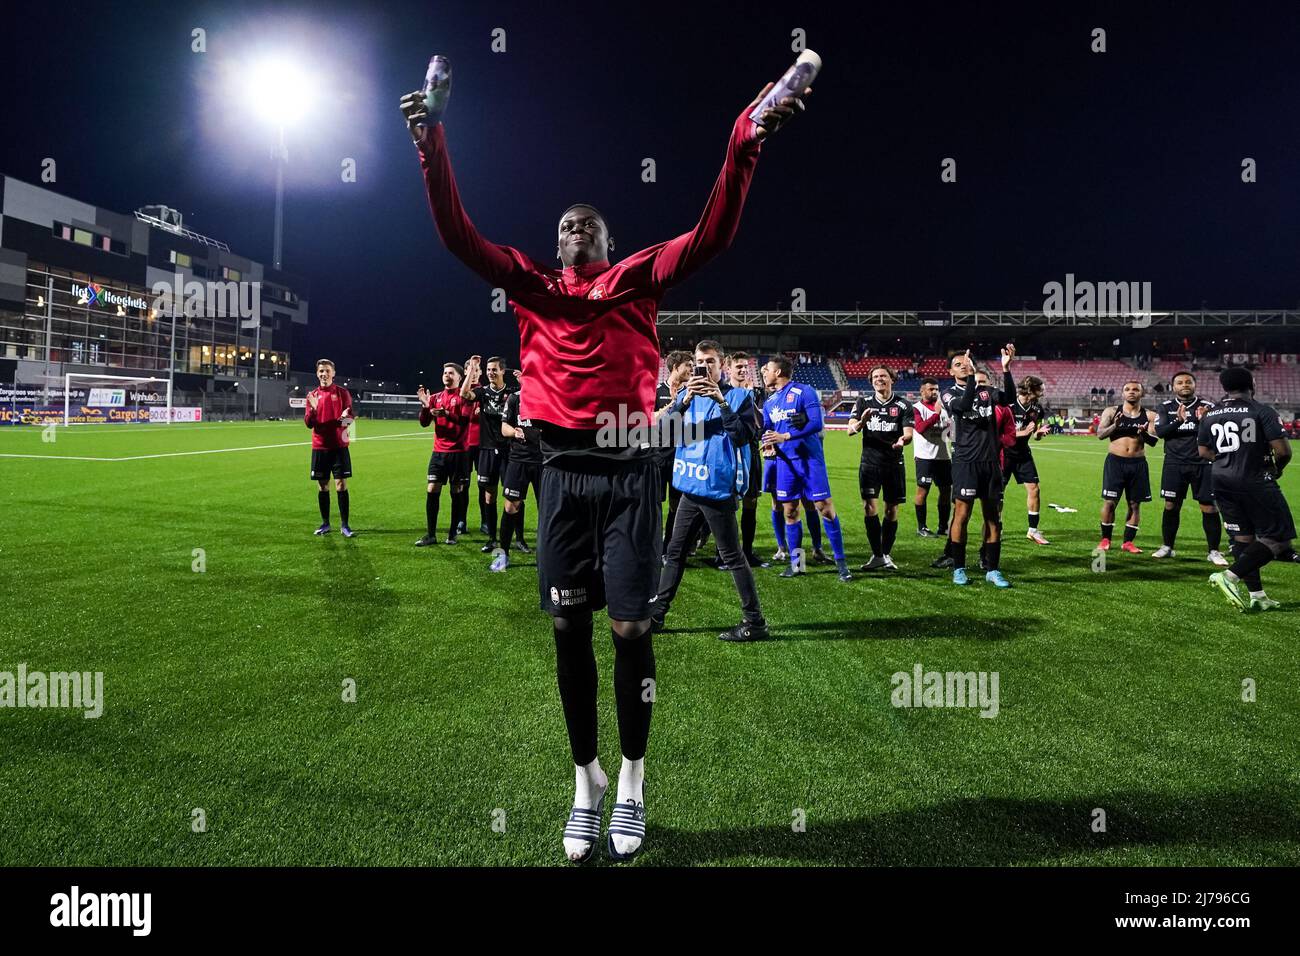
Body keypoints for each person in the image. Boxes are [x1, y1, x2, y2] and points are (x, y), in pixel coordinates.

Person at [402, 70, 811, 863]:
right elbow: (458, 235)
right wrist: (431, 143)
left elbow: (712, 234)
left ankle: (631, 779)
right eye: (567, 224)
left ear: (610, 242)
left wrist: (745, 141)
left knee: (629, 630)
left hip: (629, 472)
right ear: (555, 244)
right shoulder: (529, 285)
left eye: (590, 223)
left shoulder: (638, 279)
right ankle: (584, 781)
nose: (578, 228)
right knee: (566, 627)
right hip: (559, 471)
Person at [651, 340, 768, 640]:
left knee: (732, 556)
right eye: (699, 362)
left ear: (723, 365)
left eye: (711, 362)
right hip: (690, 487)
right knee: (675, 553)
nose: (704, 367)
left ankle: (754, 622)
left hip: (717, 491)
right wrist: (683, 401)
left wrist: (722, 401)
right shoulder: (687, 396)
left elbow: (744, 437)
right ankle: (658, 615)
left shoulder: (739, 396)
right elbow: (662, 432)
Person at [1201, 367, 1293, 612]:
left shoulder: (1210, 414)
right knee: (1279, 538)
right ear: (1252, 383)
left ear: (1224, 387)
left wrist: (1225, 462)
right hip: (1253, 479)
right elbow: (1283, 451)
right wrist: (1275, 469)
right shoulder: (1261, 411)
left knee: (1243, 538)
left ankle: (1257, 596)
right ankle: (1230, 576)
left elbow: (1203, 452)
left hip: (1220, 480)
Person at [761, 355, 852, 581]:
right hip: (785, 463)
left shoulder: (804, 392)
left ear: (779, 372)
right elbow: (766, 429)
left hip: (810, 461)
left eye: (768, 370)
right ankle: (797, 564)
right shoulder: (769, 402)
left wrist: (785, 435)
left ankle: (842, 564)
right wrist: (768, 442)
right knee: (790, 511)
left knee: (825, 509)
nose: (764, 374)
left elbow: (815, 423)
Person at [939, 347, 1016, 587]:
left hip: (990, 462)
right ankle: (959, 568)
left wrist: (1006, 368)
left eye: (967, 362)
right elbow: (961, 407)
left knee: (992, 517)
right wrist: (972, 377)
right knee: (962, 515)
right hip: (966, 462)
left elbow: (1010, 398)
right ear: (951, 371)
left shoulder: (987, 392)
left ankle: (993, 570)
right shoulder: (948, 393)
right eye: (958, 364)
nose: (964, 365)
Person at [1151, 371, 1227, 565]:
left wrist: (1205, 422)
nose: (1184, 385)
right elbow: (1160, 432)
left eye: (1188, 382)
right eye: (1179, 382)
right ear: (1173, 387)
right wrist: (1178, 420)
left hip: (1204, 463)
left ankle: (1214, 551)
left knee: (1209, 507)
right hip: (1175, 463)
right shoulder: (1165, 407)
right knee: (1171, 505)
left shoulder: (1209, 407)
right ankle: (1167, 547)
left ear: (1194, 385)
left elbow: (1219, 434)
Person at [846, 365, 913, 570]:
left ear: (891, 379)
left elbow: (908, 433)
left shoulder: (903, 405)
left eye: (883, 376)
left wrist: (903, 441)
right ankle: (877, 555)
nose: (879, 379)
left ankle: (885, 554)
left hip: (894, 463)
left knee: (891, 510)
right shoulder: (863, 402)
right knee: (869, 507)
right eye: (875, 377)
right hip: (870, 462)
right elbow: (850, 430)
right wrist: (862, 422)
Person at [463, 355, 517, 553]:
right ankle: (492, 539)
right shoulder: (483, 392)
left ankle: (519, 538)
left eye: (494, 369)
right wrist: (472, 369)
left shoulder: (512, 393)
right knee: (489, 496)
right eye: (488, 370)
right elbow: (464, 393)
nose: (491, 373)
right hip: (486, 450)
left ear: (503, 371)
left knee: (513, 495)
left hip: (509, 450)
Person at [1095, 381, 1158, 553]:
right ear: (1122, 394)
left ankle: (1128, 542)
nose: (1131, 392)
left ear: (1142, 393)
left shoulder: (1150, 415)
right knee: (1110, 502)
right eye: (1127, 389)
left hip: (1137, 464)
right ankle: (1105, 539)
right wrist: (1115, 425)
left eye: (1136, 389)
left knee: (1135, 504)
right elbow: (1100, 434)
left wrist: (1143, 433)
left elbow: (1153, 441)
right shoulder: (1111, 411)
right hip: (1115, 462)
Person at [416, 363, 473, 545]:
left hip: (458, 453)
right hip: (438, 452)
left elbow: (464, 421)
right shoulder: (435, 397)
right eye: (445, 373)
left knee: (456, 491)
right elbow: (424, 423)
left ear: (459, 377)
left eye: (451, 373)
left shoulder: (464, 396)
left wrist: (446, 413)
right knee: (432, 488)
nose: (447, 375)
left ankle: (452, 534)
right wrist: (425, 407)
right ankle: (431, 534)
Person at [493, 373, 542, 572]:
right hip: (518, 460)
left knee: (547, 511)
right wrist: (514, 432)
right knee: (510, 508)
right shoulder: (514, 399)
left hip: (543, 461)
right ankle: (502, 556)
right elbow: (504, 427)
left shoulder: (547, 399)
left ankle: (547, 558)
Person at [727, 352, 768, 568]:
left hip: (751, 451)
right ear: (729, 369)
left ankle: (748, 552)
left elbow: (762, 423)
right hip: (729, 451)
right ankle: (724, 553)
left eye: (745, 367)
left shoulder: (757, 393)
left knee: (751, 501)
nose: (743, 370)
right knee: (728, 503)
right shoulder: (723, 392)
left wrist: (750, 398)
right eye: (738, 367)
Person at [305, 358, 355, 537]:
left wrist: (343, 419)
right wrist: (313, 409)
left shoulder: (342, 393)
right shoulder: (312, 395)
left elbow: (350, 419)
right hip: (320, 447)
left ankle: (345, 525)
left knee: (341, 484)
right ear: (317, 374)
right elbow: (308, 424)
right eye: (321, 371)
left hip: (339, 447)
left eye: (327, 371)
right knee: (323, 485)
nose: (324, 374)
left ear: (333, 373)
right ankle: (325, 523)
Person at [655, 351, 694, 560]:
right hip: (659, 454)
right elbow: (647, 421)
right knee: (655, 503)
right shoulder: (657, 391)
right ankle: (654, 546)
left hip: (683, 454)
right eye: (687, 365)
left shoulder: (692, 392)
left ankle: (669, 547)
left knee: (677, 504)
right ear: (675, 367)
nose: (691, 369)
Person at [1003, 376, 1050, 545]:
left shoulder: (1037, 409)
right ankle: (997, 527)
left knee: (1034, 489)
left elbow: (1035, 434)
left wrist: (1037, 434)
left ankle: (1033, 531)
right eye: (1041, 389)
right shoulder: (1008, 405)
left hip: (1023, 453)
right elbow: (998, 432)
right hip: (1004, 453)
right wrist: (1022, 433)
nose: (1043, 392)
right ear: (1031, 389)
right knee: (999, 493)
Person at [913, 377, 953, 546]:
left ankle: (943, 527)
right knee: (923, 491)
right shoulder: (916, 408)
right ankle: (922, 526)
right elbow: (920, 428)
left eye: (936, 389)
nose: (935, 392)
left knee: (946, 492)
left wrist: (952, 428)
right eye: (931, 389)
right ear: (922, 391)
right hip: (925, 457)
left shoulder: (945, 409)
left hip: (943, 457)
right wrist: (936, 414)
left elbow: (951, 433)